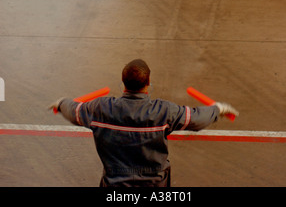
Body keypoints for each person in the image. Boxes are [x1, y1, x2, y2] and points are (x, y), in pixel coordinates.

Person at [49, 59, 239, 187]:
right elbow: (196, 119)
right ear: (148, 83)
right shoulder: (164, 111)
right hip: (155, 183)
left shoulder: (100, 109)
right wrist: (218, 109)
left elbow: (73, 111)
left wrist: (61, 102)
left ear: (123, 83)